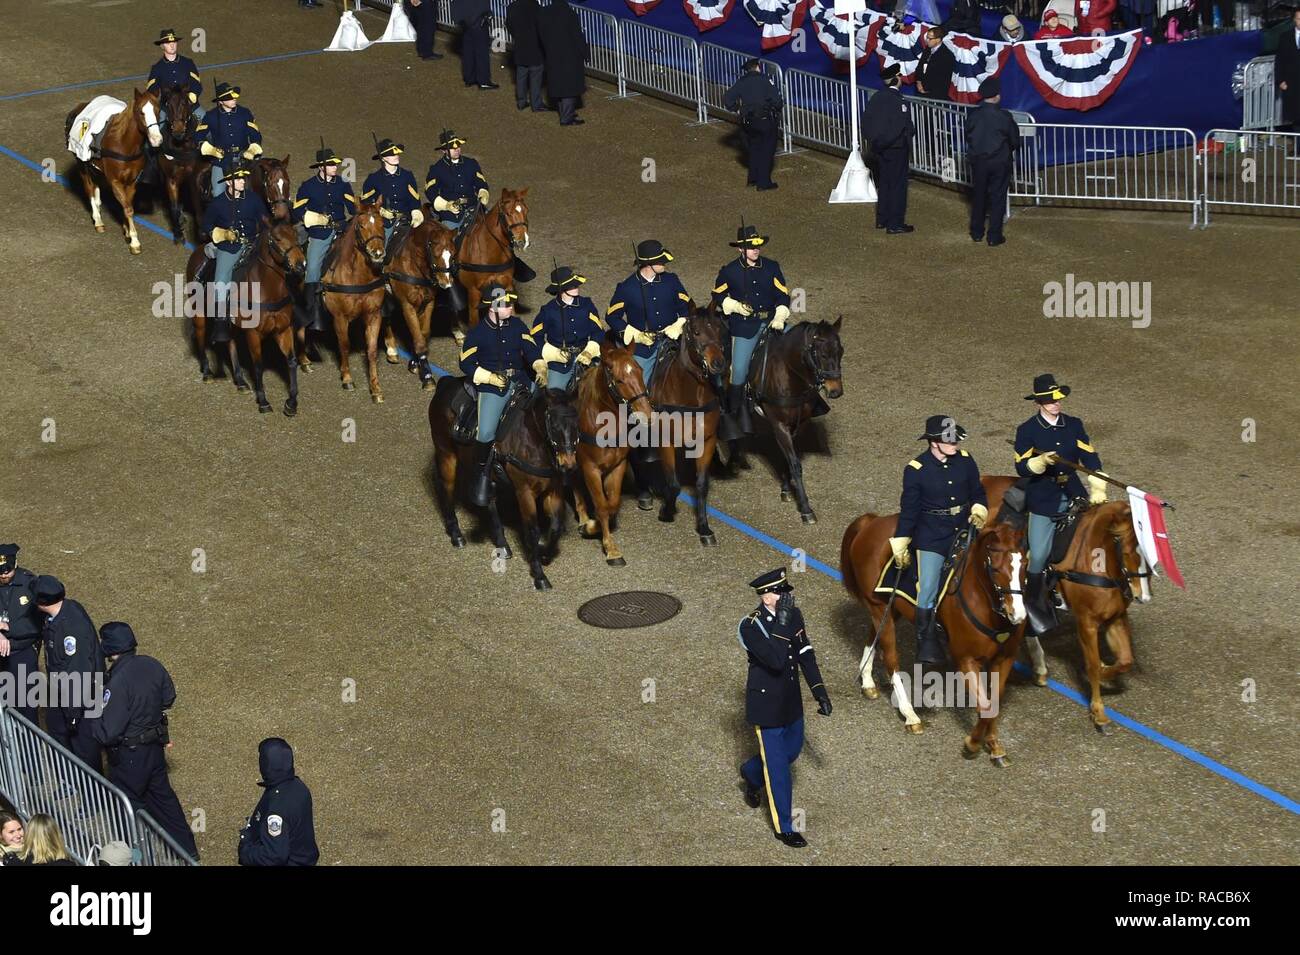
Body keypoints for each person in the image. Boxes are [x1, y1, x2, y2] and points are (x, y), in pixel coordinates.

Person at [737, 569, 831, 849]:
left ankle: (751, 774)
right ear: (766, 597)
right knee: (778, 769)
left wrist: (819, 691)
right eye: (779, 592)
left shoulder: (793, 615)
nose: (786, 596)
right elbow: (776, 661)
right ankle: (784, 827)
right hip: (766, 706)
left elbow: (804, 653)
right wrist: (783, 622)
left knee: (791, 752)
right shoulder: (750, 626)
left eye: (786, 591)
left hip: (791, 700)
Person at [91, 622, 199, 861]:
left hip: (129, 756)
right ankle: (188, 851)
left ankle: (131, 857)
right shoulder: (151, 664)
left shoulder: (118, 680)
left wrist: (93, 722)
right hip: (154, 749)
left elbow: (108, 732)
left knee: (124, 808)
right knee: (164, 799)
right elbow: (168, 698)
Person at [888, 416, 989, 665]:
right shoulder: (916, 470)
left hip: (964, 528)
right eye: (950, 440)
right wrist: (901, 540)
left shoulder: (965, 460)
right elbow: (910, 509)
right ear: (934, 442)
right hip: (932, 535)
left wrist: (979, 508)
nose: (956, 444)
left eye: (956, 439)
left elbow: (977, 491)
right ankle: (926, 641)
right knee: (928, 589)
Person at [1013, 374, 1108, 635]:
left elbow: (1088, 453)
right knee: (1040, 555)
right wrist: (1039, 462)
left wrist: (1097, 481)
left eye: (1058, 399)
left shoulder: (1074, 424)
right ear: (1039, 403)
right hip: (1043, 497)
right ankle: (1032, 604)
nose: (1057, 404)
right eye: (1051, 400)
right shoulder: (1027, 430)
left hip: (1073, 492)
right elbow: (1021, 466)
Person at [459, 283, 539, 506]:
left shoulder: (518, 326)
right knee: (485, 432)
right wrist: (488, 377)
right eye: (506, 304)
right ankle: (481, 473)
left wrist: (539, 363)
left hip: (521, 380)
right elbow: (466, 362)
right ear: (493, 307)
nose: (511, 307)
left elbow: (530, 347)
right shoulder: (478, 333)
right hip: (493, 386)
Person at [710, 224, 790, 440]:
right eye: (751, 246)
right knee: (738, 372)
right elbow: (717, 295)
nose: (756, 250)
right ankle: (735, 415)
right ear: (740, 249)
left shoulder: (771, 267)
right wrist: (734, 306)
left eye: (758, 246)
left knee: (799, 348)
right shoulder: (729, 271)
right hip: (745, 327)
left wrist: (781, 315)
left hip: (772, 322)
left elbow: (783, 294)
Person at [35, 575, 104, 771]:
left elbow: (79, 672)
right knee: (57, 729)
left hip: (81, 696)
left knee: (85, 745)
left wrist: (73, 712)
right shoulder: (66, 609)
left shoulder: (72, 630)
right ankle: (70, 778)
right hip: (62, 689)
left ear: (42, 602)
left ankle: (94, 796)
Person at [605, 240, 691, 384]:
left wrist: (679, 323)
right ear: (648, 264)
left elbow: (686, 307)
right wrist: (635, 335)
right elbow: (612, 317)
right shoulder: (626, 288)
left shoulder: (672, 280)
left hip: (674, 341)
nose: (664, 263)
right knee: (633, 387)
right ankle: (623, 408)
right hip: (644, 348)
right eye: (660, 261)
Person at [200, 161, 269, 340]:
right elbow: (206, 224)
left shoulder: (253, 198)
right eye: (238, 179)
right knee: (222, 278)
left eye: (243, 178)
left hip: (253, 243)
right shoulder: (218, 203)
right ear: (229, 182)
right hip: (229, 247)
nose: (242, 181)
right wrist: (221, 233)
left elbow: (263, 220)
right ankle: (221, 321)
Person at [292, 144, 355, 335]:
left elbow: (352, 208)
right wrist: (312, 217)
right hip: (320, 233)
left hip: (341, 230)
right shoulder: (308, 186)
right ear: (321, 167)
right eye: (331, 165)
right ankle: (312, 313)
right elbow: (297, 210)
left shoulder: (343, 183)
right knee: (312, 269)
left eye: (336, 164)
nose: (336, 167)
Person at [238, 738, 320, 866]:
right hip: (304, 856)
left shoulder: (276, 811)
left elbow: (273, 857)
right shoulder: (298, 786)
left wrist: (247, 851)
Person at [965, 76, 1021, 247]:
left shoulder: (973, 115)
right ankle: (994, 235)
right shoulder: (1004, 116)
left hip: (978, 161)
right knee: (998, 197)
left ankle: (976, 232)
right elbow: (1014, 140)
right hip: (999, 161)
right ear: (997, 95)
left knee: (979, 195)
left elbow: (969, 136)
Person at [861, 64, 915, 234]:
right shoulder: (900, 101)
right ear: (897, 78)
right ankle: (895, 223)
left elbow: (866, 123)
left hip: (880, 148)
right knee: (898, 186)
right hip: (896, 148)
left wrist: (877, 142)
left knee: (884, 182)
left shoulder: (875, 98)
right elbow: (903, 127)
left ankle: (882, 219)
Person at [532, 266, 602, 389]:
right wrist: (553, 353)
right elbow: (535, 337)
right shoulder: (548, 310)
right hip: (560, 364)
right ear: (561, 289)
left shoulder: (587, 304)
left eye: (576, 285)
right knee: (553, 393)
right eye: (572, 285)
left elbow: (598, 331)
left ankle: (623, 409)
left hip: (586, 358)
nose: (577, 287)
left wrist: (590, 350)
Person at [0, 543, 44, 725]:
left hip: (23, 653)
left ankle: (30, 751)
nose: (3, 575)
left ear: (15, 564)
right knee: (5, 705)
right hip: (1, 655)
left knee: (27, 706)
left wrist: (8, 628)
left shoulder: (30, 584)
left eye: (7, 571)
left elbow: (37, 624)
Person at [195, 81, 262, 198]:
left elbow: (255, 134)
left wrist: (253, 148)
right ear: (220, 101)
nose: (234, 99)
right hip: (221, 161)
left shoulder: (245, 113)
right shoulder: (210, 116)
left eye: (234, 96)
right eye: (229, 97)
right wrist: (209, 149)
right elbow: (199, 134)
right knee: (217, 192)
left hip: (244, 157)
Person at [723, 58, 782, 189]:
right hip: (765, 120)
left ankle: (753, 178)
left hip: (748, 121)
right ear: (757, 67)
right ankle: (763, 183)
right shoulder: (765, 80)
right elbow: (777, 100)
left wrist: (737, 108)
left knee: (754, 148)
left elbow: (728, 98)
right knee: (767, 151)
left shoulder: (742, 81)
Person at [360, 136, 425, 252]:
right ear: (383, 158)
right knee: (381, 250)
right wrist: (380, 211)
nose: (396, 156)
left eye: (396, 154)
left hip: (406, 221)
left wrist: (416, 212)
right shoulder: (373, 178)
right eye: (391, 154)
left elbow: (414, 198)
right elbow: (366, 203)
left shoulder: (407, 175)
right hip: (385, 224)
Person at [537, 0, 590, 126]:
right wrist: (586, 53)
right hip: (569, 56)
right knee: (569, 88)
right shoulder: (569, 14)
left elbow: (540, 33)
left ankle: (566, 112)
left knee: (558, 85)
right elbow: (577, 36)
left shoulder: (543, 13)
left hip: (551, 54)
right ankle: (567, 117)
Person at [425, 129, 489, 230]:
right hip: (451, 215)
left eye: (458, 146)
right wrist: (446, 205)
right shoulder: (436, 169)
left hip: (474, 208)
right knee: (448, 241)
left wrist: (483, 191)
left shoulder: (471, 163)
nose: (457, 149)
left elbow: (480, 181)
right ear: (444, 150)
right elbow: (430, 190)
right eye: (452, 147)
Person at [146, 28, 204, 123]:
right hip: (167, 108)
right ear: (162, 46)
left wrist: (193, 94)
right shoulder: (157, 68)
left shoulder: (188, 63)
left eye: (174, 42)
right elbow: (151, 89)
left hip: (190, 105)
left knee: (208, 125)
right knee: (157, 132)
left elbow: (196, 82)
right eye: (168, 43)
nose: (172, 45)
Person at [507, 0, 547, 112]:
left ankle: (521, 102)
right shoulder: (538, 9)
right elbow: (542, 29)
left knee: (521, 74)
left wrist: (517, 36)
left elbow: (509, 25)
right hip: (535, 48)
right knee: (535, 76)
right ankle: (536, 104)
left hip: (520, 45)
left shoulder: (513, 7)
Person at [453, 0, 499, 90]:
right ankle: (483, 81)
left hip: (465, 19)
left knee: (468, 50)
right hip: (478, 18)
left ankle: (469, 78)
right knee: (481, 51)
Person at [1276, 9, 1300, 134]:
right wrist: (1280, 80)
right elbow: (1279, 59)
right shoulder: (1285, 37)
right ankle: (1298, 146)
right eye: (1299, 19)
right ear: (1294, 20)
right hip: (1291, 82)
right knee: (1295, 116)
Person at [916, 28, 955, 101]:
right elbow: (920, 66)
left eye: (930, 39)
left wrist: (926, 89)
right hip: (921, 90)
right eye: (926, 38)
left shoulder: (946, 56)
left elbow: (941, 79)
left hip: (935, 95)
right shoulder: (927, 49)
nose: (927, 40)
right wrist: (919, 82)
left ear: (938, 39)